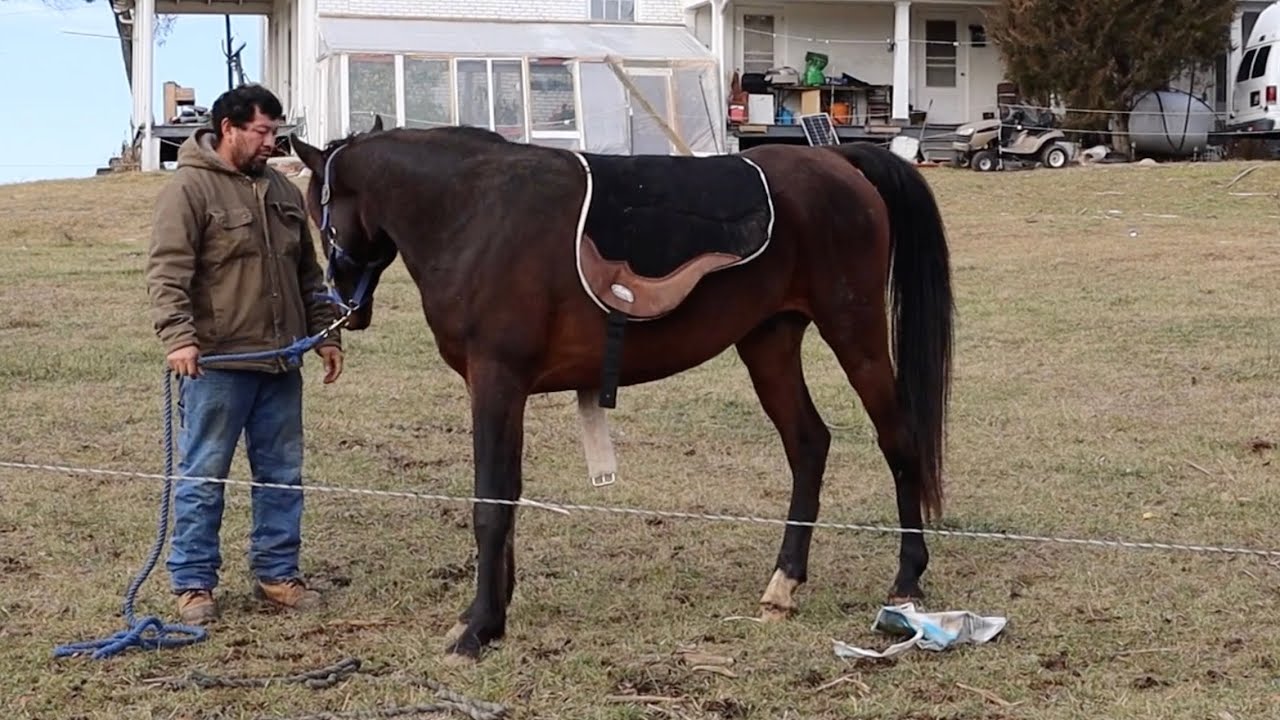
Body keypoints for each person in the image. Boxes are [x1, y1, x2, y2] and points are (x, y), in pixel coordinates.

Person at [145, 83, 344, 625]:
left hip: (281, 362)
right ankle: (193, 584)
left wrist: (326, 333)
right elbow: (167, 273)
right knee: (203, 474)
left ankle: (277, 575)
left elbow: (308, 272)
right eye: (262, 132)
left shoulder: (281, 190)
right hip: (216, 366)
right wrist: (178, 337)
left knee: (283, 473)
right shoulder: (188, 190)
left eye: (276, 133)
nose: (271, 144)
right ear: (229, 128)